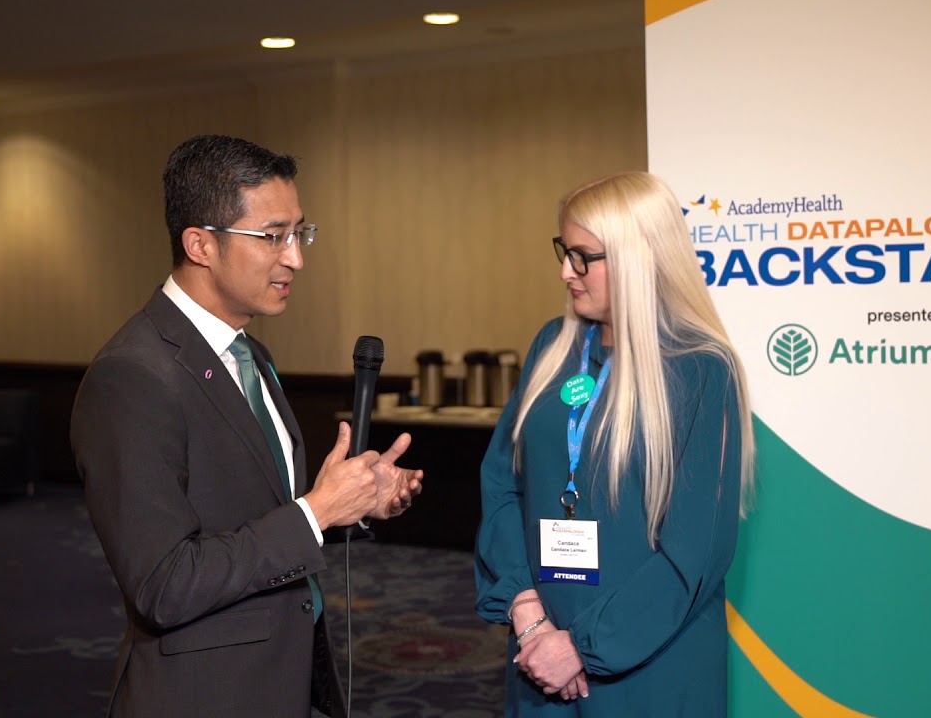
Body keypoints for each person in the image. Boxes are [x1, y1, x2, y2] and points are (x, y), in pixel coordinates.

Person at [71, 134, 423, 718]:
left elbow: (251, 516)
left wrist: (348, 505)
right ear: (200, 244)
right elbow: (164, 584)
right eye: (273, 236)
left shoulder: (248, 353)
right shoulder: (131, 377)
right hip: (202, 694)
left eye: (300, 233)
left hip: (276, 679)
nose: (296, 257)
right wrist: (315, 512)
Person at [475, 171, 753, 715]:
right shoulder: (552, 349)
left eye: (583, 256)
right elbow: (502, 484)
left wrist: (581, 648)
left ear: (638, 258)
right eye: (564, 251)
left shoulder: (699, 370)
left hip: (649, 662)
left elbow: (695, 551)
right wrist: (528, 613)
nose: (565, 271)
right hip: (539, 650)